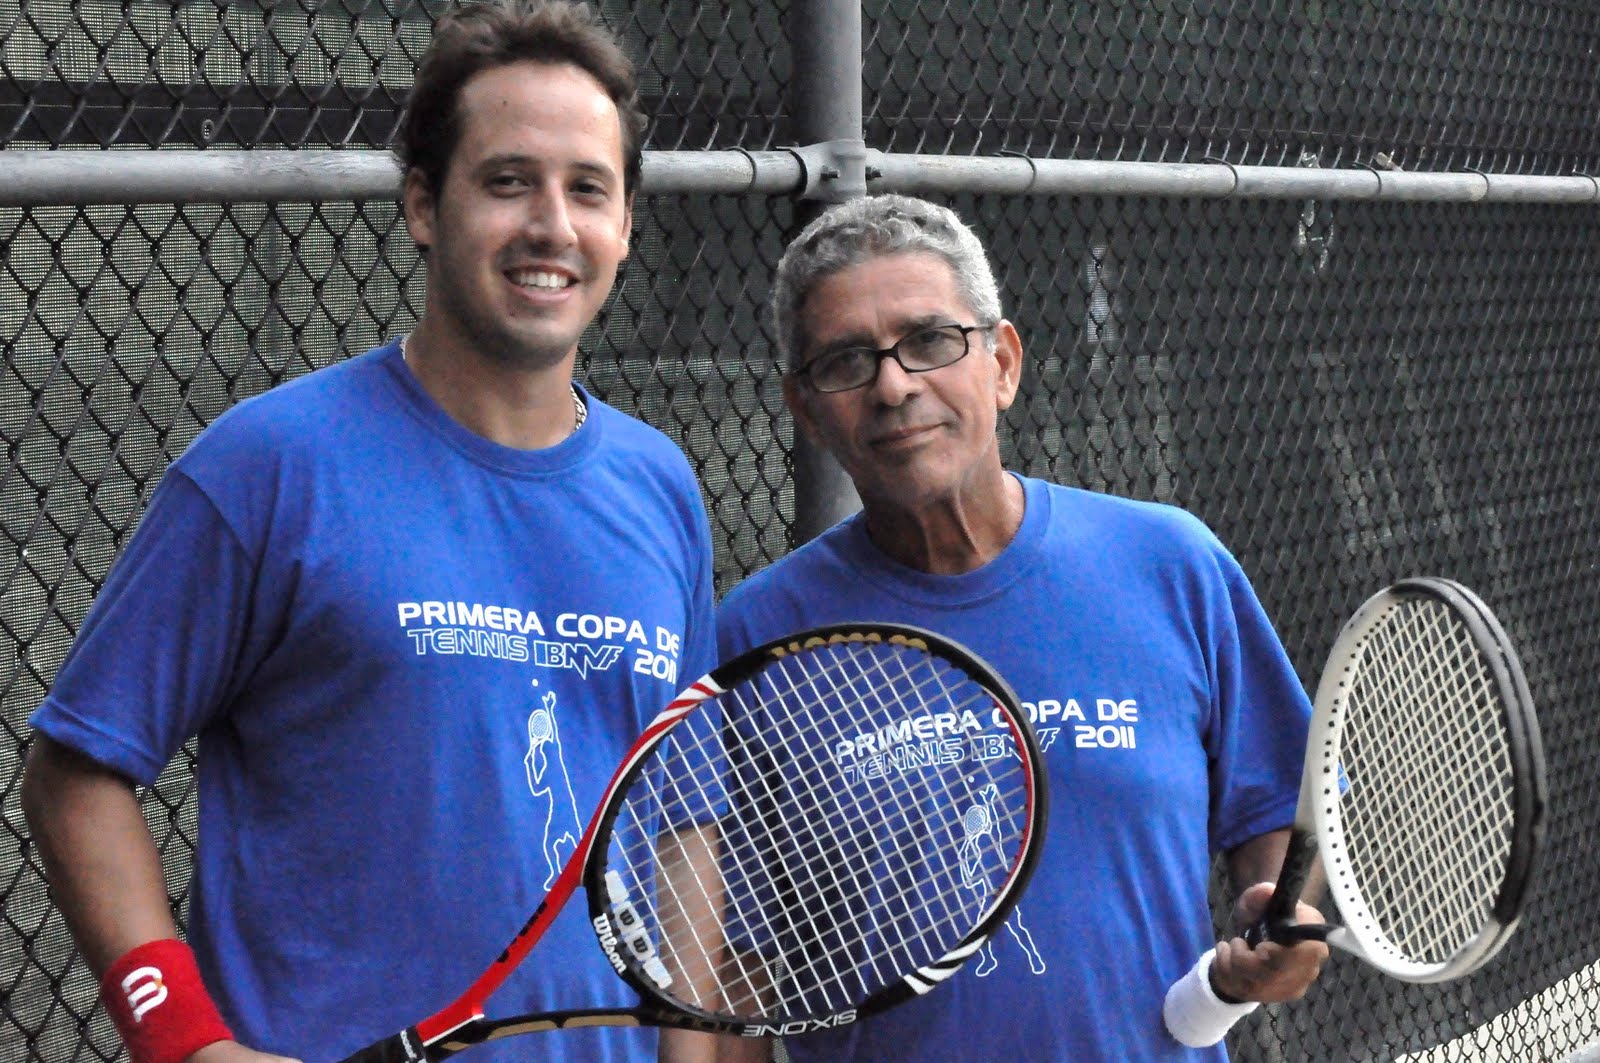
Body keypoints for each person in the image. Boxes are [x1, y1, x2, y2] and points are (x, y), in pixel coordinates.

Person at [20, 4, 719, 1062]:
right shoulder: (269, 464)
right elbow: (76, 773)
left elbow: (680, 818)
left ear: (625, 226)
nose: (551, 226)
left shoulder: (661, 484)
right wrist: (186, 1042)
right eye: (506, 181)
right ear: (422, 206)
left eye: (588, 189)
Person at [712, 194, 1329, 1062]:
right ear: (806, 410)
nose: (894, 385)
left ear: (1001, 363)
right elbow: (737, 964)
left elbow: (1277, 807)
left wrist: (1278, 908)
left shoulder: (1171, 564)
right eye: (847, 362)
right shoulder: (752, 642)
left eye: (930, 341)